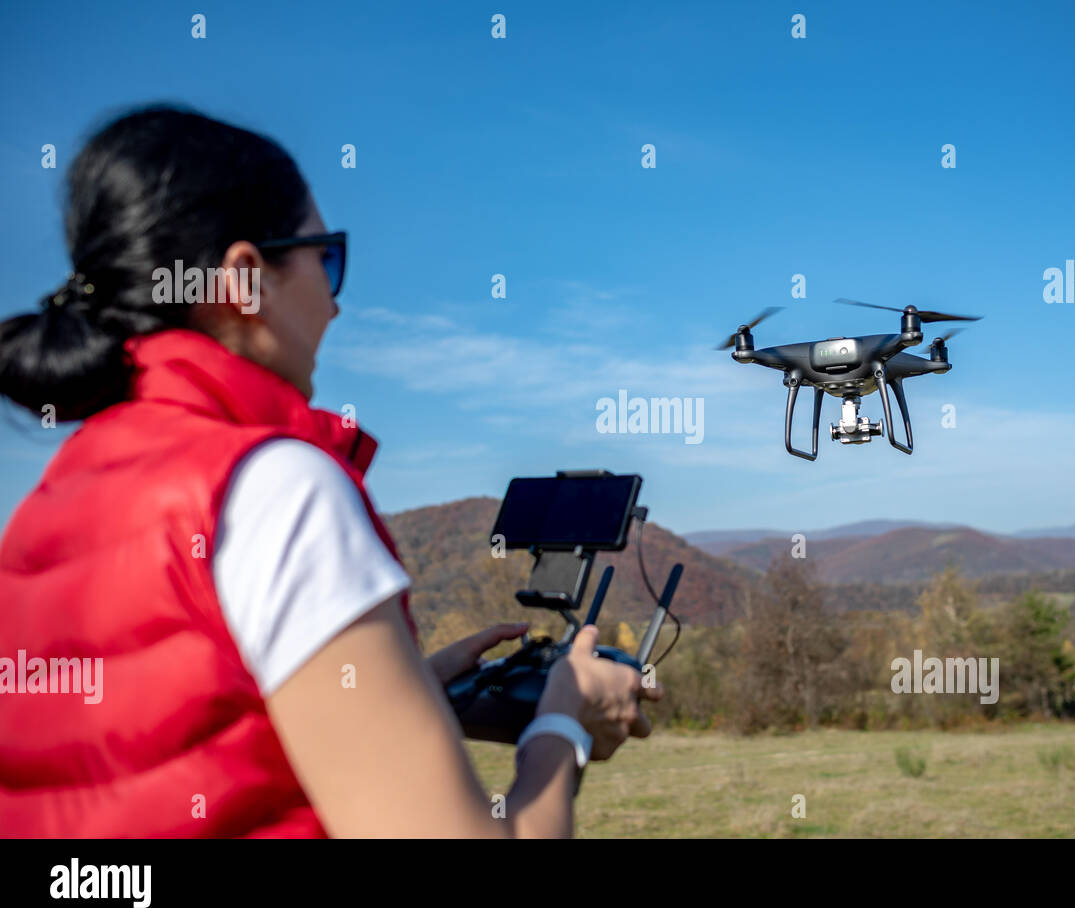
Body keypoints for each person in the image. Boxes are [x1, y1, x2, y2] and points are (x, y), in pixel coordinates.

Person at [0, 104, 659, 838]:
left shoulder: (53, 501)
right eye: (327, 258)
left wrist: (407, 684)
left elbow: (170, 745)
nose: (337, 305)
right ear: (246, 280)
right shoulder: (273, 487)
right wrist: (563, 721)